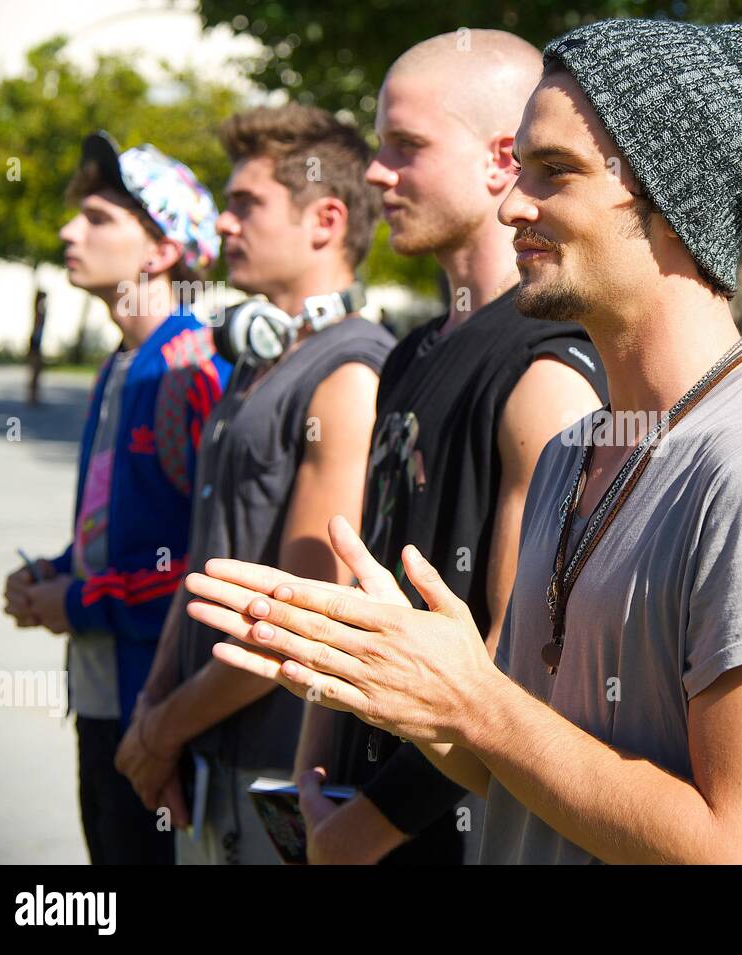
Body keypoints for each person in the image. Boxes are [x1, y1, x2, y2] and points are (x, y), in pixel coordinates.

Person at [188, 18, 742, 864]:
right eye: (519, 168)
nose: (514, 202)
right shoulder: (573, 451)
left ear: (674, 202)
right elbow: (526, 770)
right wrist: (403, 687)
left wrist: (475, 699)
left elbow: (740, 847)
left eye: (556, 171)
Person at [290, 30, 607, 865]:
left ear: (503, 160)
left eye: (407, 146)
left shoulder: (548, 368)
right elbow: (361, 577)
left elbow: (515, 667)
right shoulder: (409, 352)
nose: (374, 172)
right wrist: (311, 772)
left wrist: (364, 830)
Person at [114, 104, 394, 865]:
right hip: (206, 761)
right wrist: (153, 711)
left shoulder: (348, 374)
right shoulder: (253, 364)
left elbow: (296, 615)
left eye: (246, 204)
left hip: (273, 782)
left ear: (325, 220)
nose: (226, 224)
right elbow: (202, 566)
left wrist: (159, 729)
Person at [2, 132, 230, 864]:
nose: (71, 229)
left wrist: (75, 599)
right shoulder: (120, 366)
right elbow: (115, 525)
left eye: (100, 217)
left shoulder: (193, 372)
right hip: (99, 702)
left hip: (158, 714)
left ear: (160, 250)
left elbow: (212, 565)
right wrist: (53, 569)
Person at [27, 289, 47, 406]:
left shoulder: (39, 310)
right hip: (35, 343)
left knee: (36, 372)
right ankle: (32, 398)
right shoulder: (39, 312)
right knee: (35, 372)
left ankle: (34, 397)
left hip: (36, 343)